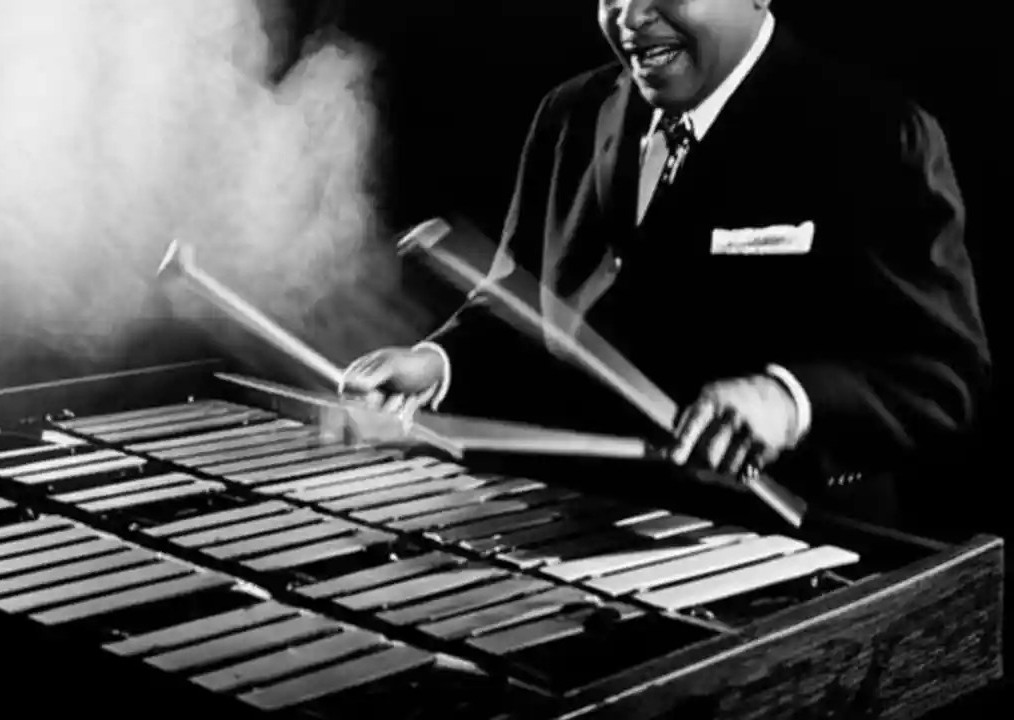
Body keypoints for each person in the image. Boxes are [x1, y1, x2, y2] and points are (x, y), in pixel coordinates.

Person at [340, 0, 991, 527]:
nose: (629, 16)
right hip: (579, 530)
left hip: (789, 549)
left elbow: (943, 375)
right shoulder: (570, 114)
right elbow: (519, 298)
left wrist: (789, 401)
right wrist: (439, 363)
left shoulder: (875, 133)